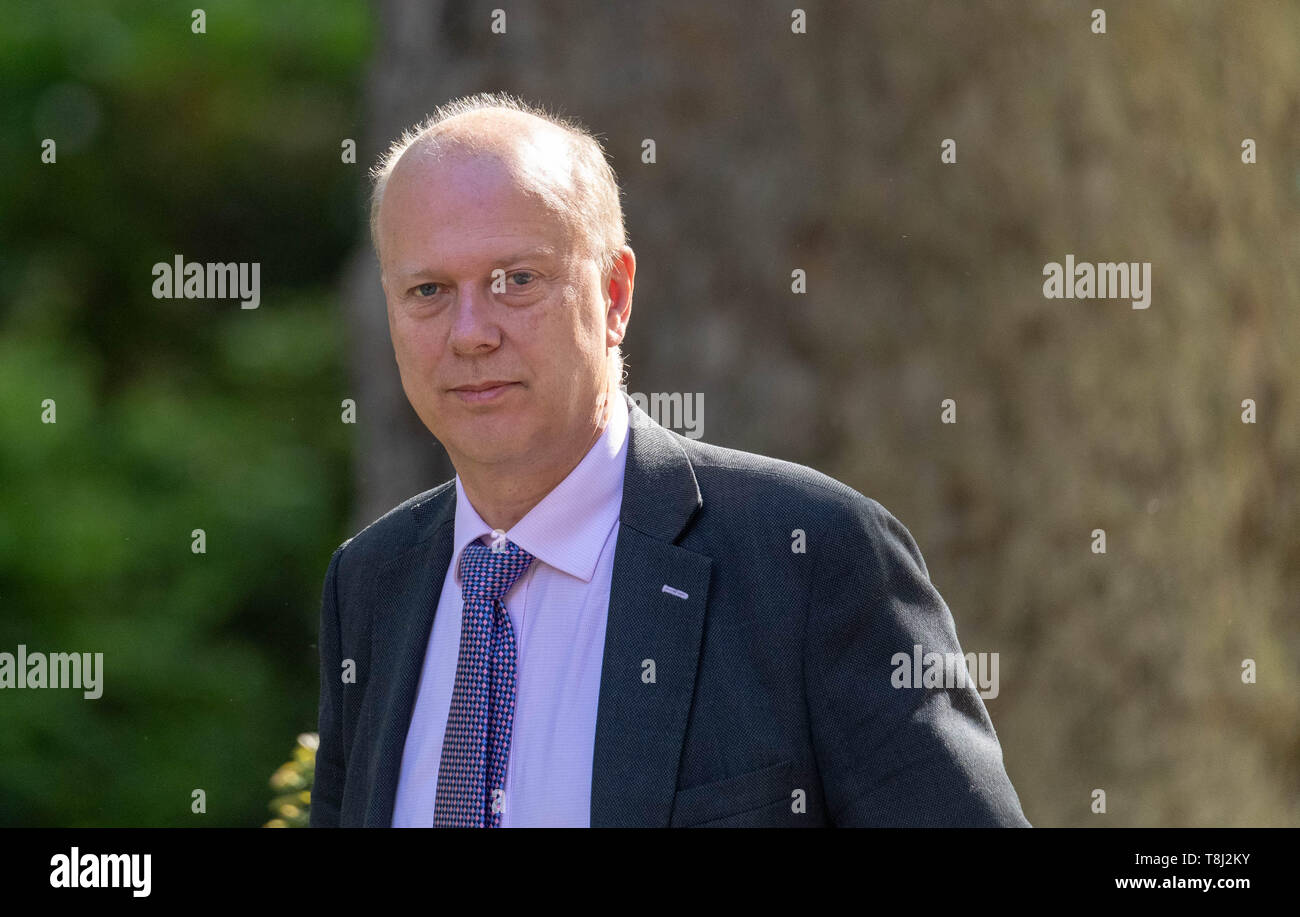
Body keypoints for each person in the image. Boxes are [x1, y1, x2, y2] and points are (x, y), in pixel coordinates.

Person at [310, 91, 1030, 827]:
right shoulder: (371, 586)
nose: (470, 333)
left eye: (515, 280)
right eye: (428, 290)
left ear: (615, 294)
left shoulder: (808, 557)